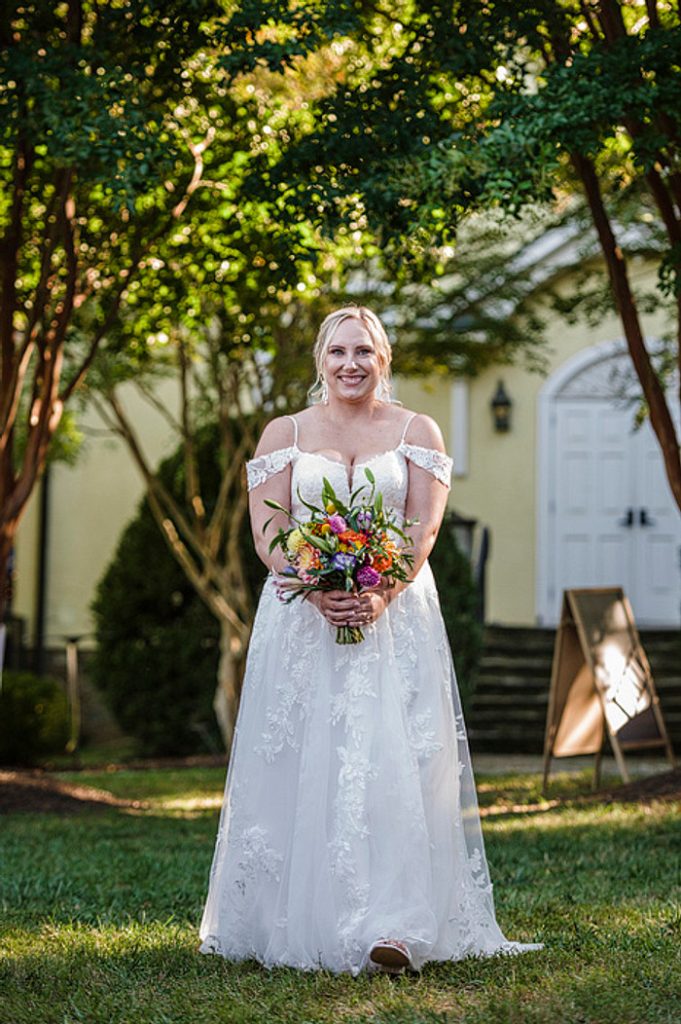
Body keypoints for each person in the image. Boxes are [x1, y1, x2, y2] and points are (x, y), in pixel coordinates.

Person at [198, 305, 542, 975]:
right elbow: (268, 532)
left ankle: (397, 924)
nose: (350, 363)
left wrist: (381, 591)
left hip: (396, 619)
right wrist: (312, 581)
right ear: (319, 360)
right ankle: (287, 917)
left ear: (382, 359)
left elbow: (422, 528)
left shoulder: (416, 429)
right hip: (301, 618)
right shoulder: (283, 432)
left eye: (364, 351)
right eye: (337, 352)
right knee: (302, 755)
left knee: (390, 760)